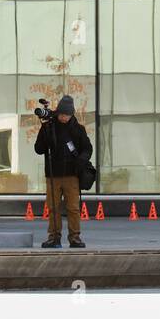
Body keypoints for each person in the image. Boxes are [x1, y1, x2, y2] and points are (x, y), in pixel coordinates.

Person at [34, 96, 92, 249]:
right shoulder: (49, 126)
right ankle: (54, 237)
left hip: (72, 175)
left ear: (72, 114)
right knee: (53, 208)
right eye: (61, 114)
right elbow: (38, 149)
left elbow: (87, 149)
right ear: (58, 112)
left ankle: (75, 238)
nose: (63, 117)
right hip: (53, 175)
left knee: (73, 208)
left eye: (66, 115)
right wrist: (45, 132)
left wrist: (81, 161)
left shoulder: (78, 130)